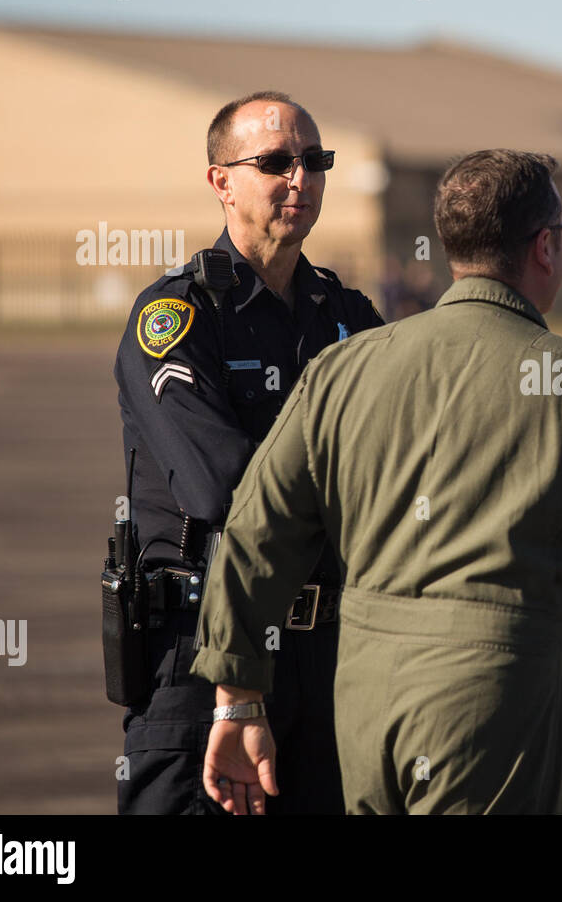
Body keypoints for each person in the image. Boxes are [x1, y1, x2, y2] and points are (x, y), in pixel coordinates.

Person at [189, 149, 562, 815]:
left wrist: (237, 698)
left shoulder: (342, 368)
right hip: (491, 703)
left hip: (364, 696)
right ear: (545, 246)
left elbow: (255, 533)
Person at [112, 90, 383, 814]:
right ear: (220, 181)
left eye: (314, 161)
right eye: (275, 162)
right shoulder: (176, 318)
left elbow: (409, 471)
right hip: (200, 660)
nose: (301, 179)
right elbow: (223, 490)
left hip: (330, 661)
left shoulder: (352, 320)